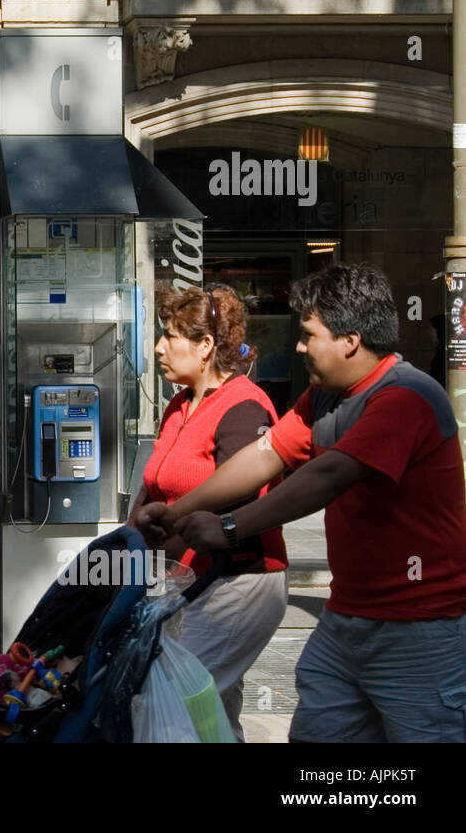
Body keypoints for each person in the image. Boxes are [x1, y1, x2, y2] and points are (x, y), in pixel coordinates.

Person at [135, 264, 466, 742]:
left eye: (309, 335)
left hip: (420, 629)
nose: (299, 346)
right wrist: (181, 509)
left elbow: (326, 476)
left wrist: (229, 527)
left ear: (349, 340)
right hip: (346, 618)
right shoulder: (325, 398)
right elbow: (266, 454)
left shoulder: (405, 396)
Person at [125, 283, 287, 741]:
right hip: (186, 579)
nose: (159, 347)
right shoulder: (179, 404)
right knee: (211, 709)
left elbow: (241, 499)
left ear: (205, 346)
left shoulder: (244, 406)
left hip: (237, 580)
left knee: (176, 697)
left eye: (171, 336)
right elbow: (155, 485)